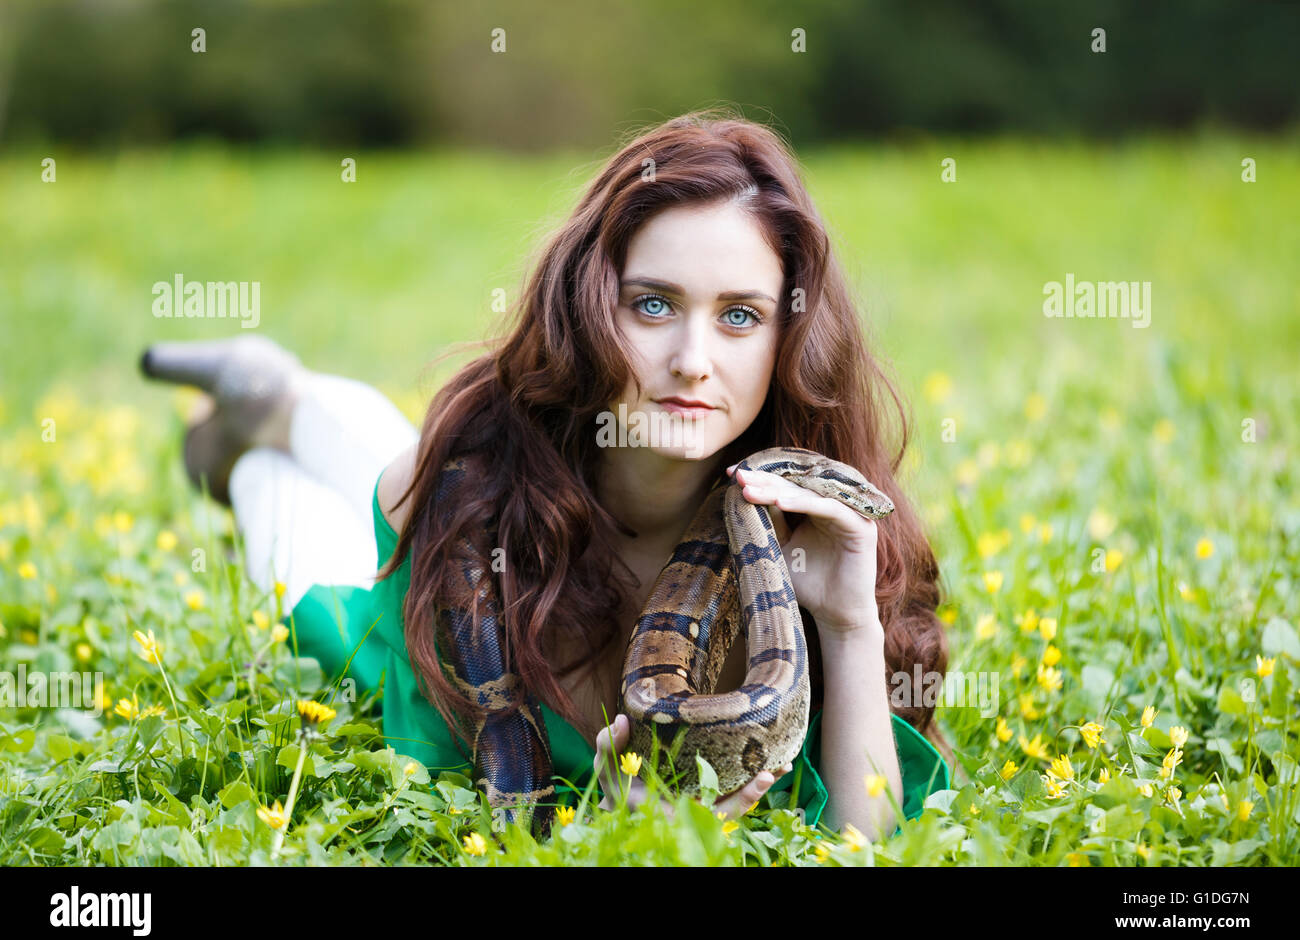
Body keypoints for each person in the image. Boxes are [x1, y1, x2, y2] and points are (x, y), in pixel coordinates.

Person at [140, 109, 952, 841]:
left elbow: (867, 840)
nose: (693, 363)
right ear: (594, 306)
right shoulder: (458, 489)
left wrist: (849, 625)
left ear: (789, 338)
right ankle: (270, 403)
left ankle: (254, 423)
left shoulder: (817, 515)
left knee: (312, 487)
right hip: (412, 575)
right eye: (654, 305)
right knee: (316, 535)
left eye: (739, 316)